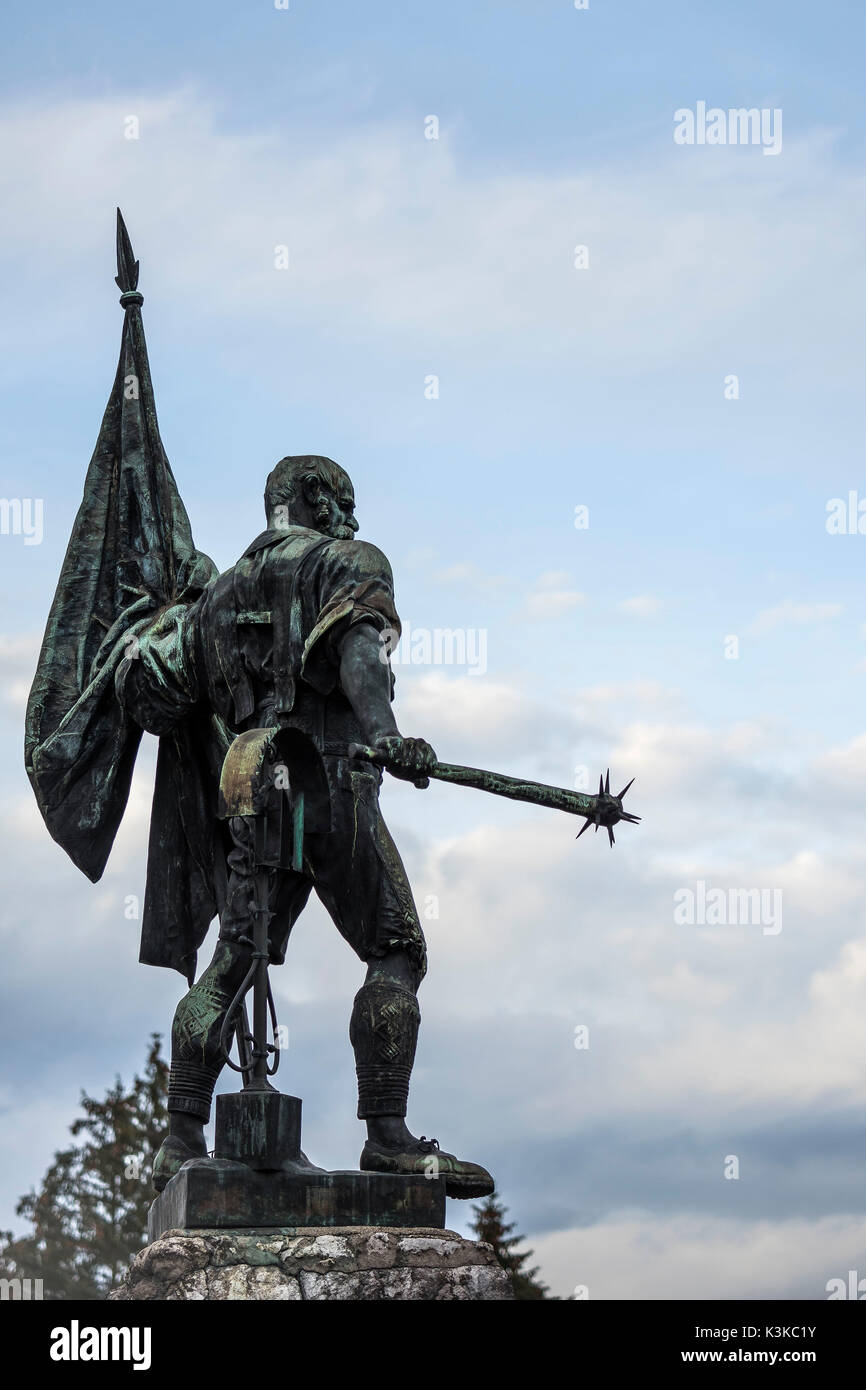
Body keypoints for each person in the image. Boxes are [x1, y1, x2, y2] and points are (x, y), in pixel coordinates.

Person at [117, 453, 494, 1199]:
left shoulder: (214, 600)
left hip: (256, 784)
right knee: (396, 949)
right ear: (314, 501)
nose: (351, 518)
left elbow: (164, 700)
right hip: (331, 778)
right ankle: (387, 1139)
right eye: (344, 502)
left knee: (232, 962)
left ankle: (178, 1139)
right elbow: (363, 653)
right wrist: (386, 733)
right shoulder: (348, 562)